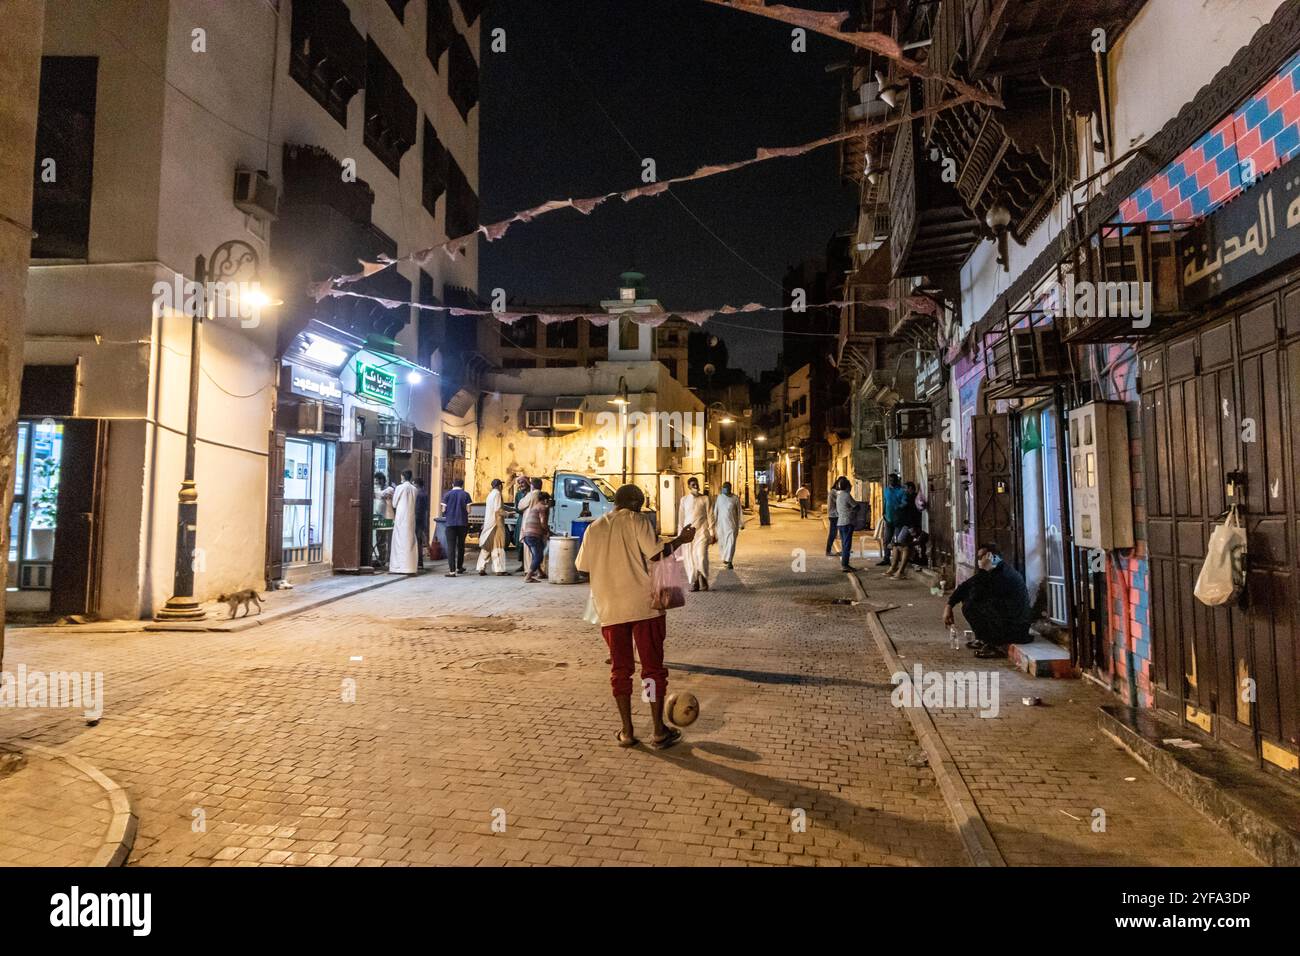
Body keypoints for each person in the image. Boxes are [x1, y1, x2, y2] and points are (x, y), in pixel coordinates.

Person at [575, 483, 697, 749]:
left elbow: (582, 568)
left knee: (620, 671)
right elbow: (657, 553)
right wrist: (681, 540)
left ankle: (627, 731)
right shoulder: (636, 520)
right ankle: (657, 730)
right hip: (644, 608)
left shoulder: (593, 528)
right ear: (634, 504)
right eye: (639, 504)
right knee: (652, 670)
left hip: (609, 609)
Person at [943, 543, 1032, 658]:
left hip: (1015, 629)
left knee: (971, 605)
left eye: (981, 557)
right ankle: (985, 639)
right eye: (978, 558)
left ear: (991, 557)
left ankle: (994, 645)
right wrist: (949, 606)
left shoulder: (1004, 575)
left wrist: (984, 570)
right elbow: (966, 586)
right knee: (968, 600)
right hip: (1007, 623)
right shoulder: (993, 572)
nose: (979, 561)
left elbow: (977, 595)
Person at [678, 476, 713, 591]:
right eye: (693, 485)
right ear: (689, 487)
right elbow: (681, 519)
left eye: (697, 484)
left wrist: (712, 533)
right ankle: (695, 582)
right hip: (688, 535)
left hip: (702, 532)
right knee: (691, 558)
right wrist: (680, 536)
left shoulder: (705, 499)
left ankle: (703, 578)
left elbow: (710, 516)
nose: (696, 486)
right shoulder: (684, 500)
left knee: (701, 556)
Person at [476, 478, 510, 576]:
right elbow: (498, 510)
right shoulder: (498, 494)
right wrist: (508, 514)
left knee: (487, 546)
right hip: (496, 524)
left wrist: (510, 508)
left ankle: (481, 567)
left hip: (489, 523)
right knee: (498, 546)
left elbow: (498, 506)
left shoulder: (490, 494)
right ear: (500, 486)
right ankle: (499, 569)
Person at [388, 470, 419, 575]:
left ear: (402, 477)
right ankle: (410, 567)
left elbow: (394, 504)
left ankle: (398, 567)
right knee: (409, 541)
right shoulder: (414, 489)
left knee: (398, 541)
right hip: (410, 517)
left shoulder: (399, 488)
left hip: (401, 517)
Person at [441, 478, 471, 576]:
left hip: (450, 524)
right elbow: (469, 510)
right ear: (462, 485)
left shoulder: (447, 494)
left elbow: (443, 510)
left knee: (451, 547)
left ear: (453, 484)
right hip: (462, 523)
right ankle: (459, 567)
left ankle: (452, 571)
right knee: (461, 545)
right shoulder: (466, 494)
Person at [520, 491, 552, 583]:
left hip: (527, 535)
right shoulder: (542, 507)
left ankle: (540, 573)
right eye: (548, 500)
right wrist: (548, 532)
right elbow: (543, 523)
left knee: (535, 555)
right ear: (545, 500)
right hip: (534, 535)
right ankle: (528, 577)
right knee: (538, 556)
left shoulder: (535, 507)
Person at [713, 481, 743, 570]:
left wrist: (741, 523)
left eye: (727, 487)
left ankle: (729, 560)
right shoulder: (719, 497)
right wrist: (713, 522)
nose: (725, 489)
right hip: (721, 525)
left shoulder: (735, 498)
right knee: (722, 543)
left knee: (731, 542)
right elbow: (716, 510)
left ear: (730, 488)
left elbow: (739, 511)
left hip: (732, 525)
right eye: (724, 487)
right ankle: (725, 558)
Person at [879, 473, 907, 566]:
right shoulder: (886, 490)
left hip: (898, 519)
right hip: (888, 518)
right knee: (887, 539)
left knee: (898, 540)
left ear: (897, 480)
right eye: (890, 480)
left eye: (893, 480)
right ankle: (886, 558)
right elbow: (885, 501)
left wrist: (898, 507)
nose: (892, 481)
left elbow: (904, 503)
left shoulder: (901, 491)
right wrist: (883, 512)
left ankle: (898, 559)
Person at [833, 476, 857, 571]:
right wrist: (853, 510)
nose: (851, 486)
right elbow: (856, 506)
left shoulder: (839, 495)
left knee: (844, 544)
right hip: (847, 522)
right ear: (847, 486)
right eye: (850, 485)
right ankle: (845, 565)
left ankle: (844, 564)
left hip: (841, 522)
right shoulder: (847, 495)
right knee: (847, 545)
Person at [414, 477, 430, 571]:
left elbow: (418, 509)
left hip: (417, 521)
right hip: (422, 520)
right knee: (419, 542)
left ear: (416, 484)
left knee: (417, 542)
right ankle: (420, 562)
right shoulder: (424, 493)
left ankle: (418, 562)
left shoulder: (418, 494)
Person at [825, 482, 839, 557]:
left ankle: (844, 550)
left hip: (834, 515)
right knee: (832, 533)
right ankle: (828, 550)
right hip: (834, 515)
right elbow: (839, 501)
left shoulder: (833, 492)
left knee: (835, 533)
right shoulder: (834, 492)